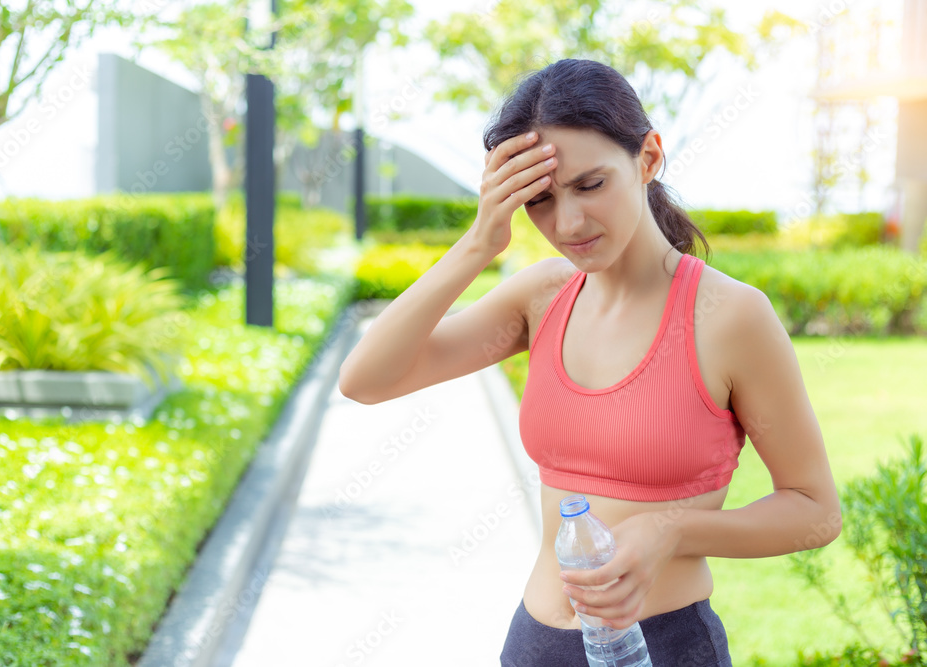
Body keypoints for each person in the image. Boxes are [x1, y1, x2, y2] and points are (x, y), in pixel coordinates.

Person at [337, 58, 842, 667]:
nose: (567, 223)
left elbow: (815, 512)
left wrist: (672, 530)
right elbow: (365, 379)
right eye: (540, 199)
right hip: (534, 645)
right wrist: (478, 243)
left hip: (664, 648)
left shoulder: (729, 316)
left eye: (590, 184)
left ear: (649, 156)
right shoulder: (543, 297)